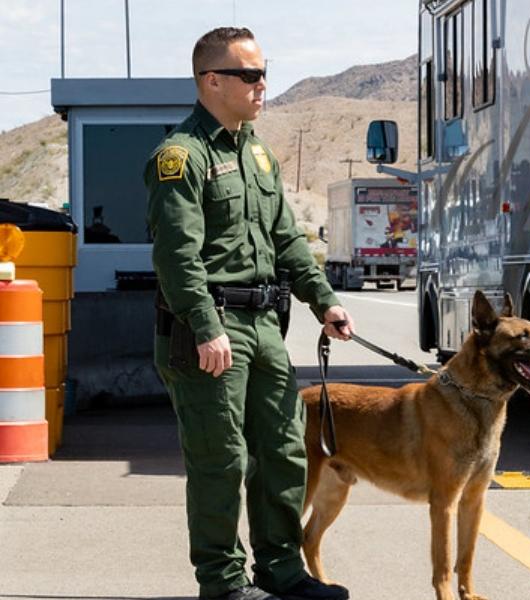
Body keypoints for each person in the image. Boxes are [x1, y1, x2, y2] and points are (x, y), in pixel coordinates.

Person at [145, 27, 355, 600]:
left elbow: (286, 238)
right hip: (208, 327)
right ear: (213, 81)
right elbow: (177, 256)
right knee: (221, 461)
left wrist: (324, 300)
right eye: (251, 75)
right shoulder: (180, 157)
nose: (264, 85)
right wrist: (205, 327)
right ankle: (223, 583)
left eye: (265, 72)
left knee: (285, 451)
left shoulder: (256, 151)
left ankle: (282, 572)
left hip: (264, 326)